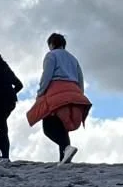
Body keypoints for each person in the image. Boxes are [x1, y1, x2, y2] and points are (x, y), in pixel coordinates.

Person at [25, 32, 92, 163]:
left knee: (49, 127)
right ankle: (64, 158)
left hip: (56, 93)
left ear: (51, 44)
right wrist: (79, 94)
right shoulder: (73, 59)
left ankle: (67, 148)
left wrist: (40, 92)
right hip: (74, 93)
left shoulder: (51, 55)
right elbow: (80, 78)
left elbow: (47, 75)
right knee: (62, 127)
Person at [0, 49, 24, 163]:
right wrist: (11, 93)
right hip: (10, 102)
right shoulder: (6, 67)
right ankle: (1, 155)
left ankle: (2, 155)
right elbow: (19, 85)